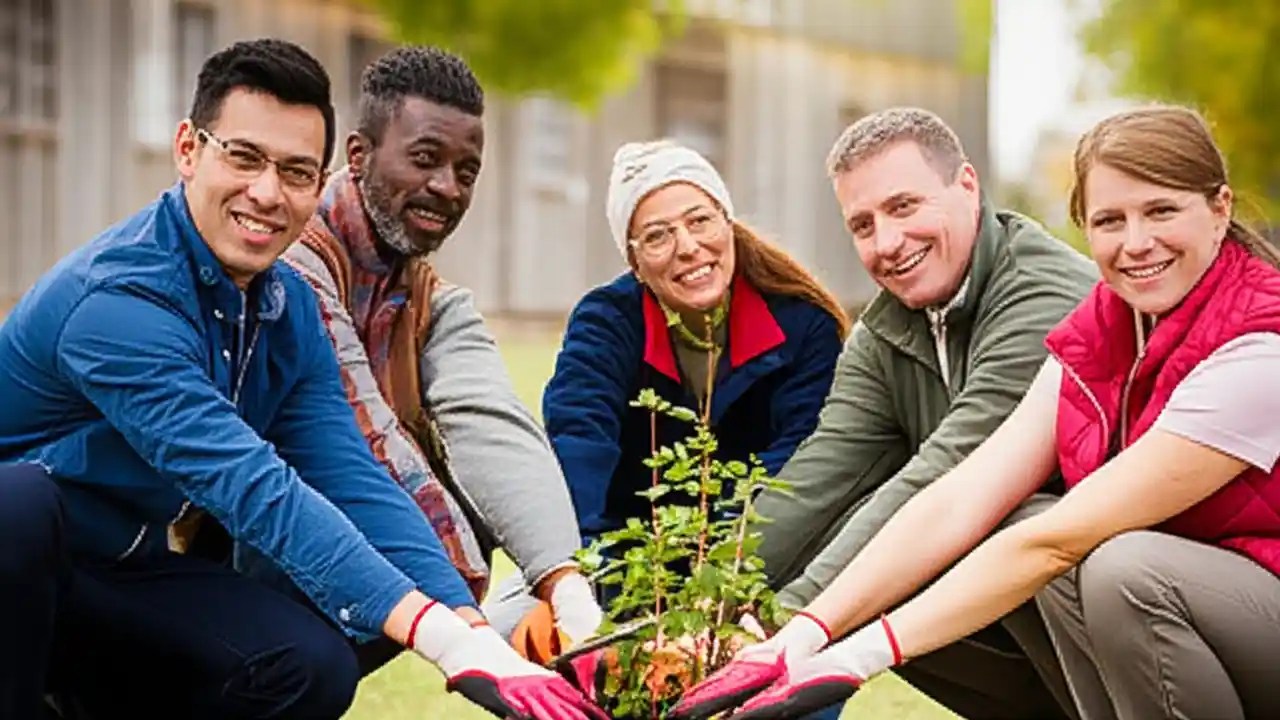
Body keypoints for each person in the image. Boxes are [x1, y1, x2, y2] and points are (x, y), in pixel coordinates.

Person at [0, 39, 602, 720]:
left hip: (115, 570)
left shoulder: (286, 308)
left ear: (319, 185)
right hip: (21, 574)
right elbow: (253, 487)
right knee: (14, 505)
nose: (266, 192)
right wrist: (437, 634)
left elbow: (352, 474)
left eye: (294, 171)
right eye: (244, 157)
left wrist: (469, 631)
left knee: (306, 663)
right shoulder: (118, 302)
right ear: (189, 150)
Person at [676, 105, 1280, 720]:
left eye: (1161, 211)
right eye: (1109, 220)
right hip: (1186, 606)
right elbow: (966, 491)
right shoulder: (1105, 324)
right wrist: (797, 635)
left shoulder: (1259, 348)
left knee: (1119, 568)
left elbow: (1056, 538)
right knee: (1018, 527)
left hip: (1250, 601)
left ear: (1220, 208)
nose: (1135, 244)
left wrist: (852, 656)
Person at [671, 107, 1098, 720]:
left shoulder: (1045, 295)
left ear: (967, 186)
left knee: (958, 538)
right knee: (848, 541)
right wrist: (696, 614)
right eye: (863, 225)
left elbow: (950, 474)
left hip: (1113, 590)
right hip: (1011, 595)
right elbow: (816, 481)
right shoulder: (889, 328)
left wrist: (788, 626)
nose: (887, 243)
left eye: (904, 207)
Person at [279, 44, 602, 663]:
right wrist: (469, 628)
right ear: (358, 154)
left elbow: (492, 420)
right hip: (212, 545)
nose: (446, 188)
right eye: (425, 159)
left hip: (331, 554)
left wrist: (566, 588)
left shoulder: (430, 298)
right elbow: (362, 434)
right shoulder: (296, 262)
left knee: (477, 498)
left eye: (467, 170)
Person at [544, 138, 850, 559]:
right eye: (657, 236)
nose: (687, 247)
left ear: (729, 225)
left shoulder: (801, 326)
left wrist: (711, 563)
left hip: (762, 552)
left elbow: (800, 458)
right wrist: (579, 571)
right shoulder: (605, 323)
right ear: (635, 263)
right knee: (507, 622)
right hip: (624, 560)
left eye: (700, 221)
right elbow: (578, 441)